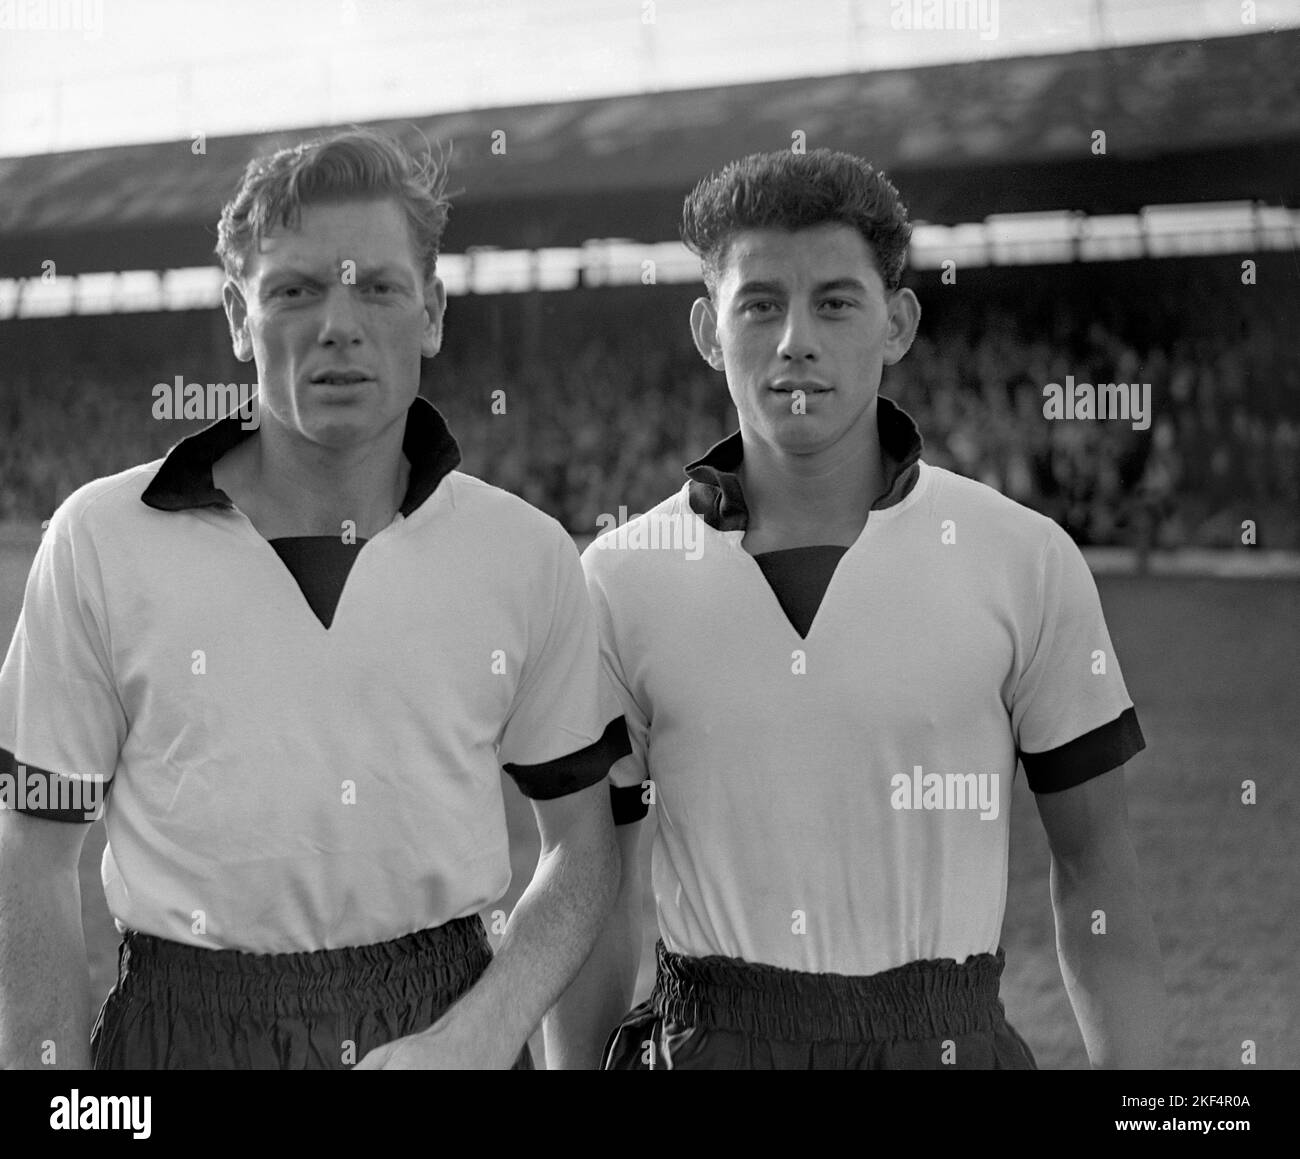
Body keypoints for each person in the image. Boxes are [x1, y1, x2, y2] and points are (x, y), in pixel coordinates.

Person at [0, 128, 622, 1070]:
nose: (340, 322)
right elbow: (35, 852)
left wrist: (483, 1033)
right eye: (294, 289)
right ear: (238, 317)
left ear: (432, 311)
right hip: (184, 1030)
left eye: (377, 285)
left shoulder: (525, 553)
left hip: (442, 1017)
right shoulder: (99, 537)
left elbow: (582, 845)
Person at [560, 149, 1165, 1069]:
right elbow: (597, 895)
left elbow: (1098, 874)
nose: (796, 338)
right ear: (706, 330)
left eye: (836, 301)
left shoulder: (1023, 556)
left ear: (898, 323)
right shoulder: (617, 578)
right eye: (759, 303)